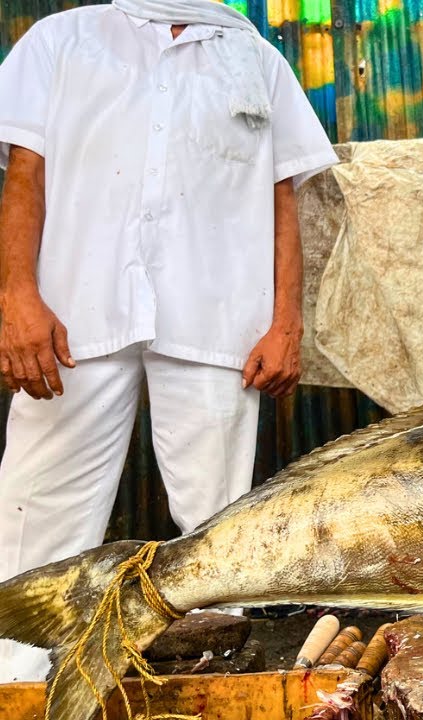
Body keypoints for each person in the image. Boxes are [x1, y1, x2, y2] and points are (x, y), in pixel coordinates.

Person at [0, 0, 337, 682]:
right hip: (74, 317)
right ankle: (14, 681)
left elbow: (283, 200)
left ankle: (213, 682)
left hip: (218, 319)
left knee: (219, 529)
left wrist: (286, 324)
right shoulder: (61, 40)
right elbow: (25, 177)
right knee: (37, 508)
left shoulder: (257, 60)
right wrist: (17, 297)